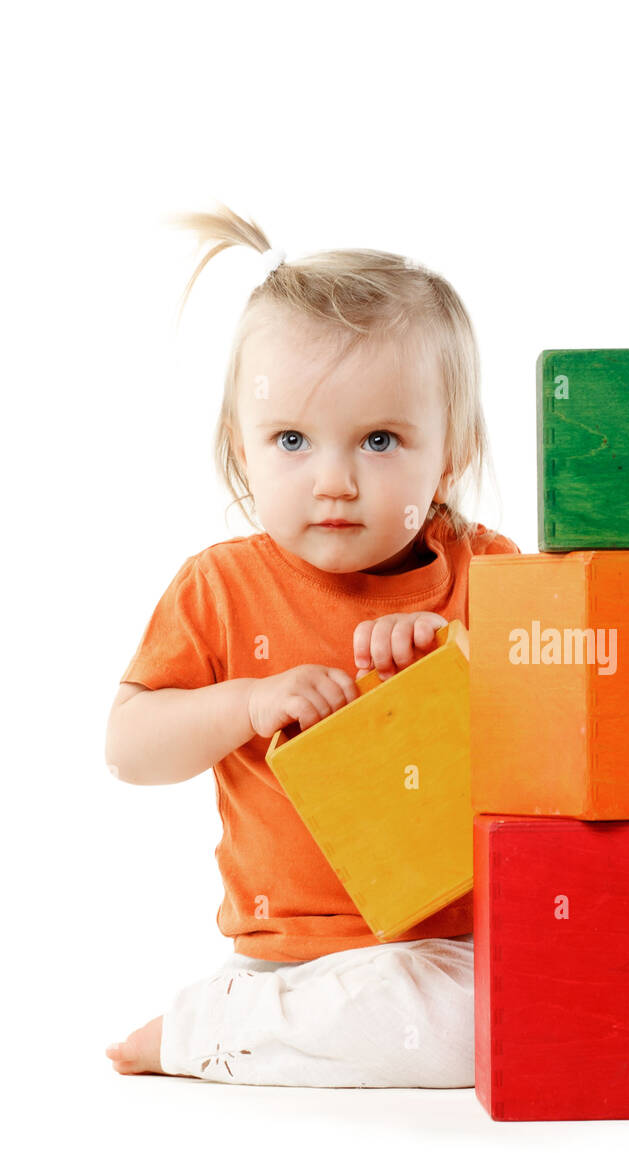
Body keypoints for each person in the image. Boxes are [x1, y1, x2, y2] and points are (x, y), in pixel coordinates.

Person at [104, 204, 519, 1087]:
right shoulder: (220, 588)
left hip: (454, 948)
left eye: (379, 440)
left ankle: (252, 1043)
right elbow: (129, 748)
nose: (333, 480)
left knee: (528, 1014)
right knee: (473, 1038)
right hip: (291, 961)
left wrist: (455, 664)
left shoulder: (488, 571)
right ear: (240, 449)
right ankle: (212, 1027)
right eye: (291, 440)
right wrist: (246, 704)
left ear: (450, 455)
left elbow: (559, 732)